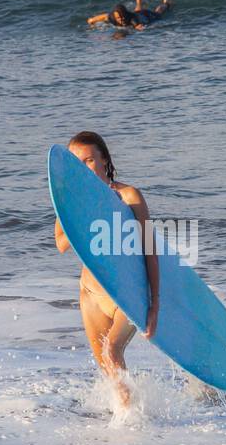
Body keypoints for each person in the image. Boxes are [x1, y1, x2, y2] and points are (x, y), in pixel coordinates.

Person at [53, 131, 159, 408]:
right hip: (91, 294)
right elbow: (61, 244)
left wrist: (154, 303)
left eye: (89, 160)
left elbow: (150, 249)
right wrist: (84, 211)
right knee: (106, 365)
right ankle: (124, 422)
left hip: (128, 294)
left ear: (105, 161)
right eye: (77, 163)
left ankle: (131, 423)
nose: (84, 168)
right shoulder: (70, 201)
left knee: (112, 352)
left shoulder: (128, 196)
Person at [87, 0, 172, 30]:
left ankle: (166, 3)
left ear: (126, 14)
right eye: (118, 18)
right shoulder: (112, 17)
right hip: (137, 13)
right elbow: (104, 16)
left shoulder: (132, 19)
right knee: (137, 11)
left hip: (145, 15)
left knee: (158, 12)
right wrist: (92, 21)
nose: (121, 20)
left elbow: (138, 27)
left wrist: (139, 27)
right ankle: (138, 1)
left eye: (122, 17)